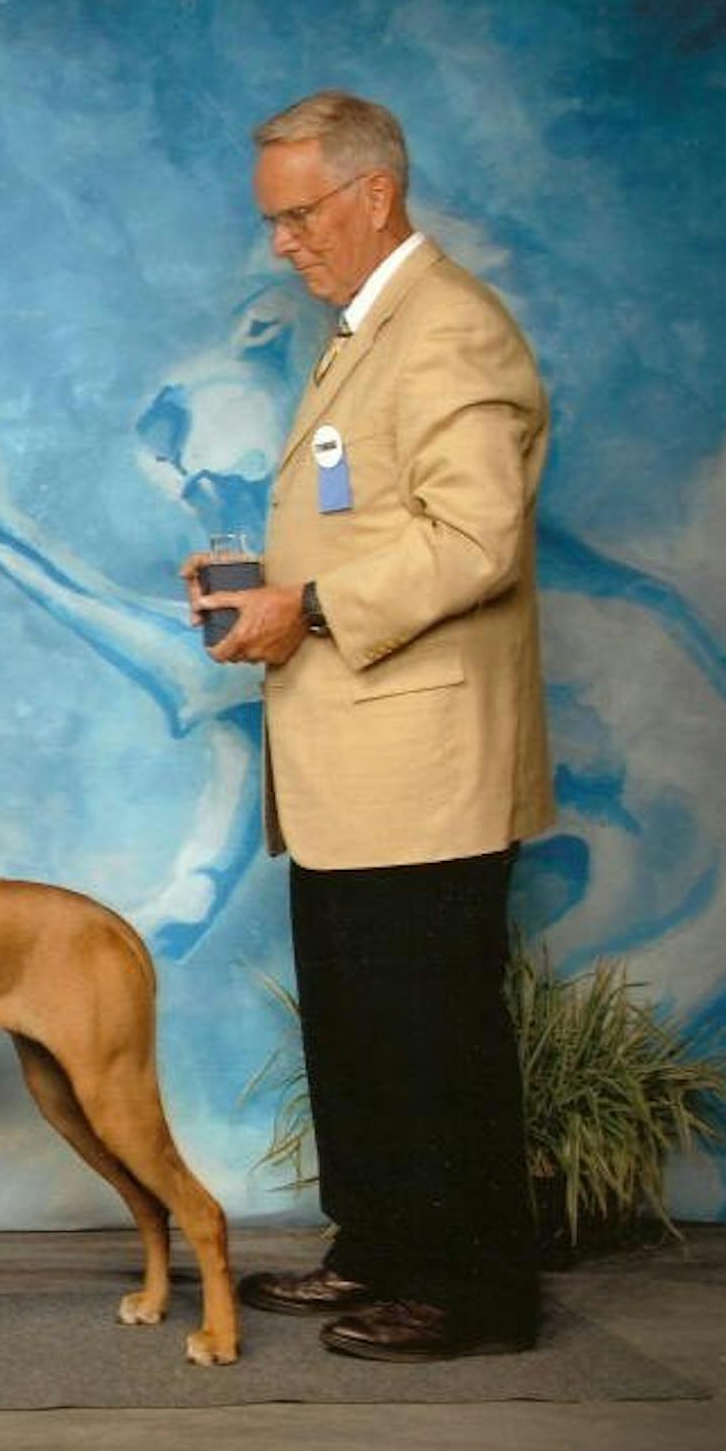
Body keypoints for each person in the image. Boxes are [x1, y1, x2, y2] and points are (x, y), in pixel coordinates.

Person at [184, 91, 552, 1362]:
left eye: (297, 216)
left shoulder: (450, 330)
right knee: (359, 1025)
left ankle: (482, 1291)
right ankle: (387, 1250)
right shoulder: (369, 329)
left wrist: (315, 605)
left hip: (426, 763)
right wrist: (263, 597)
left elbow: (477, 541)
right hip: (352, 760)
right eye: (275, 219)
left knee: (432, 1032)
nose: (282, 242)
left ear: (374, 194)